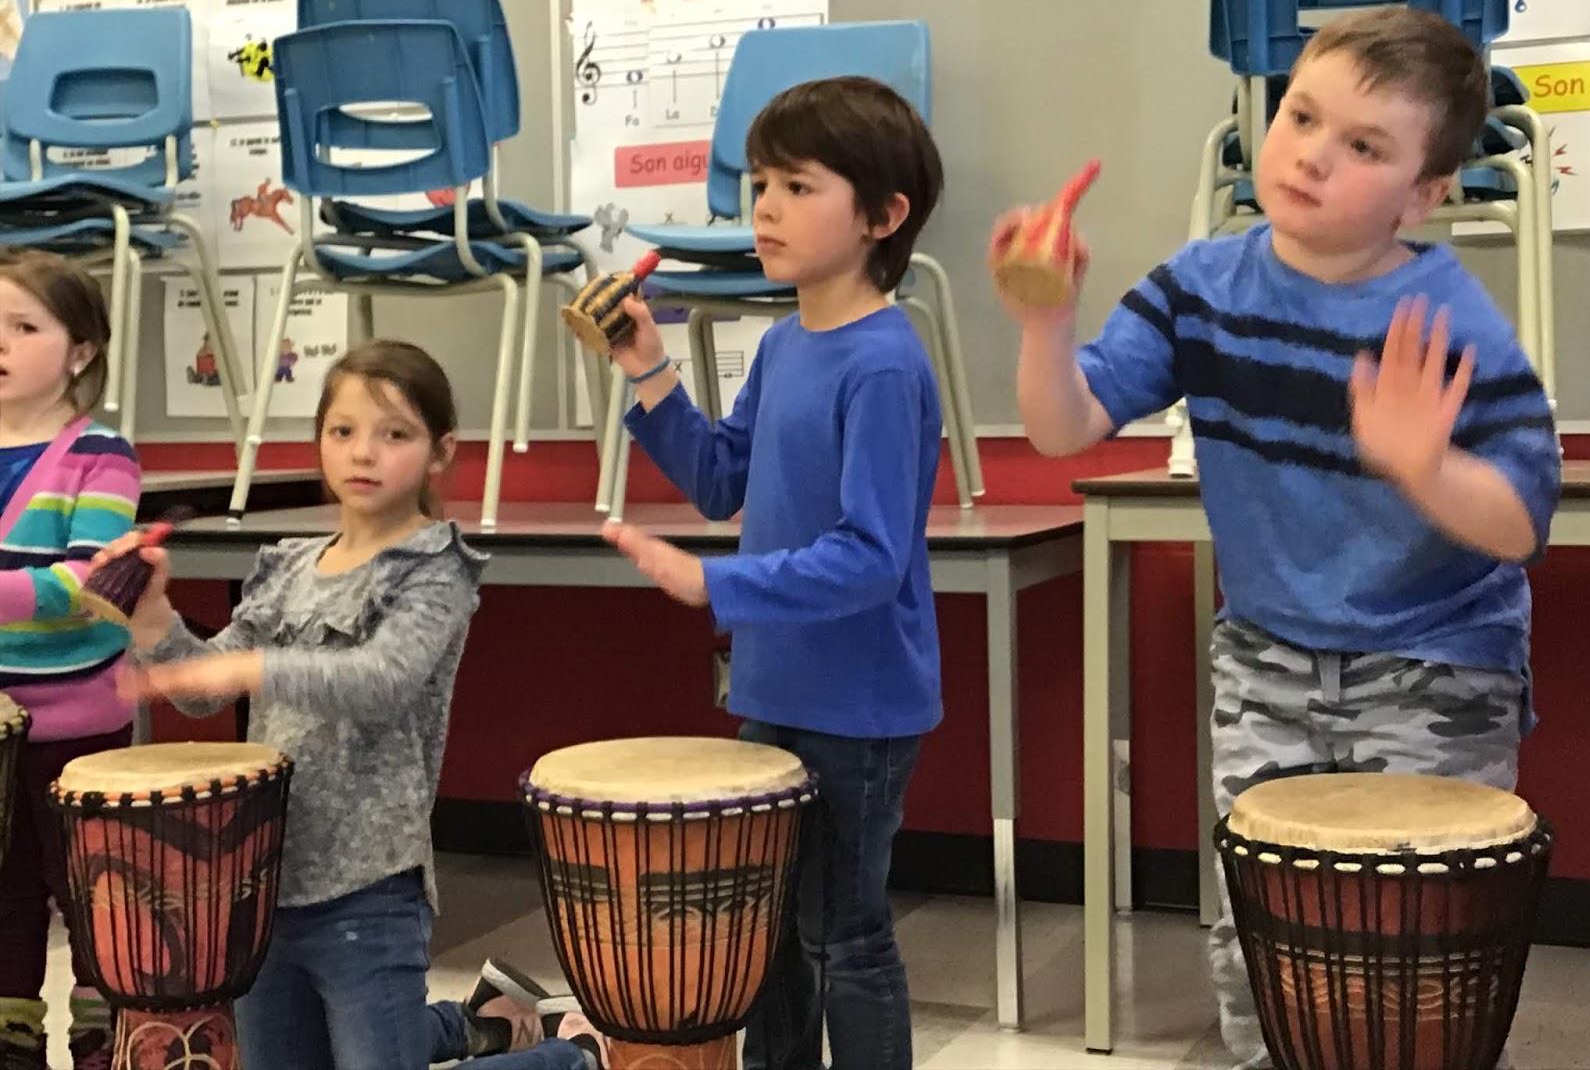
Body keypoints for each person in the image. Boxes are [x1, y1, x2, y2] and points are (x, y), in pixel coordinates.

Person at [991, 6, 1561, 1069]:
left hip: (1433, 661)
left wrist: (1427, 467)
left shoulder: (1449, 317)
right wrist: (1043, 325)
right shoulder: (1201, 287)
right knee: (1259, 930)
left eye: (1363, 146)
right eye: (1301, 114)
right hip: (1264, 658)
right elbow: (1066, 425)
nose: (1309, 154)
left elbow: (1524, 521)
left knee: (1414, 948)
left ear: (1423, 194)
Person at [99, 340, 607, 1070]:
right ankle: (486, 1022)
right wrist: (154, 621)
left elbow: (382, 680)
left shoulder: (436, 568)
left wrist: (254, 666)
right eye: (342, 432)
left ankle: (571, 1057)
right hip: (263, 883)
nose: (363, 453)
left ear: (440, 451)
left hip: (368, 891)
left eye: (394, 434)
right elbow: (209, 689)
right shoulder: (287, 567)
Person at [598, 75, 945, 1070]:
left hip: (860, 707)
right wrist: (649, 371)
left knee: (843, 935)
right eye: (759, 185)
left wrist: (720, 585)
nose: (764, 209)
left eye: (797, 186)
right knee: (772, 946)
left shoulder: (884, 363)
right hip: (777, 687)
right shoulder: (788, 343)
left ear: (882, 215)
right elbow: (720, 481)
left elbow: (872, 557)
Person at [0, 252, 138, 1070]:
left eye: (24, 327)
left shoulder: (101, 452)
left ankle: (102, 1031)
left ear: (81, 350)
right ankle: (13, 1031)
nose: (2, 343)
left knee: (90, 891)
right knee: (5, 890)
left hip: (73, 722)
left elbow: (92, 578)